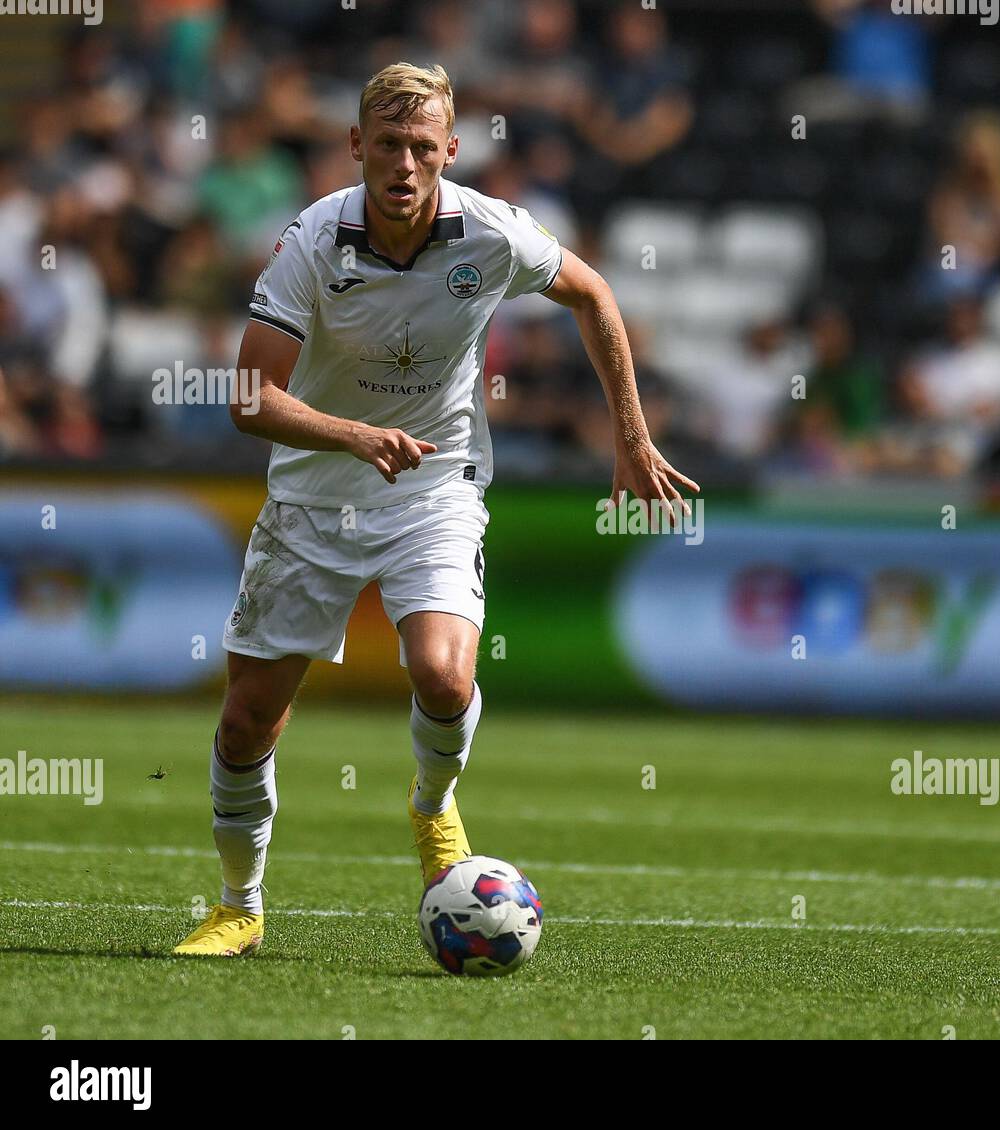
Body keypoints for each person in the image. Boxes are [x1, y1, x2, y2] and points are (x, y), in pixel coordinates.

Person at [175, 62, 697, 956]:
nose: (405, 166)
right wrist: (352, 435)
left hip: (435, 487)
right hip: (314, 498)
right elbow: (248, 397)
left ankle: (432, 808)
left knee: (446, 675)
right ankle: (239, 905)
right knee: (247, 719)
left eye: (423, 148)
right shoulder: (311, 239)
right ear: (356, 148)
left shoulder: (490, 232)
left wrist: (631, 436)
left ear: (450, 152)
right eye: (388, 146)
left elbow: (593, 294)